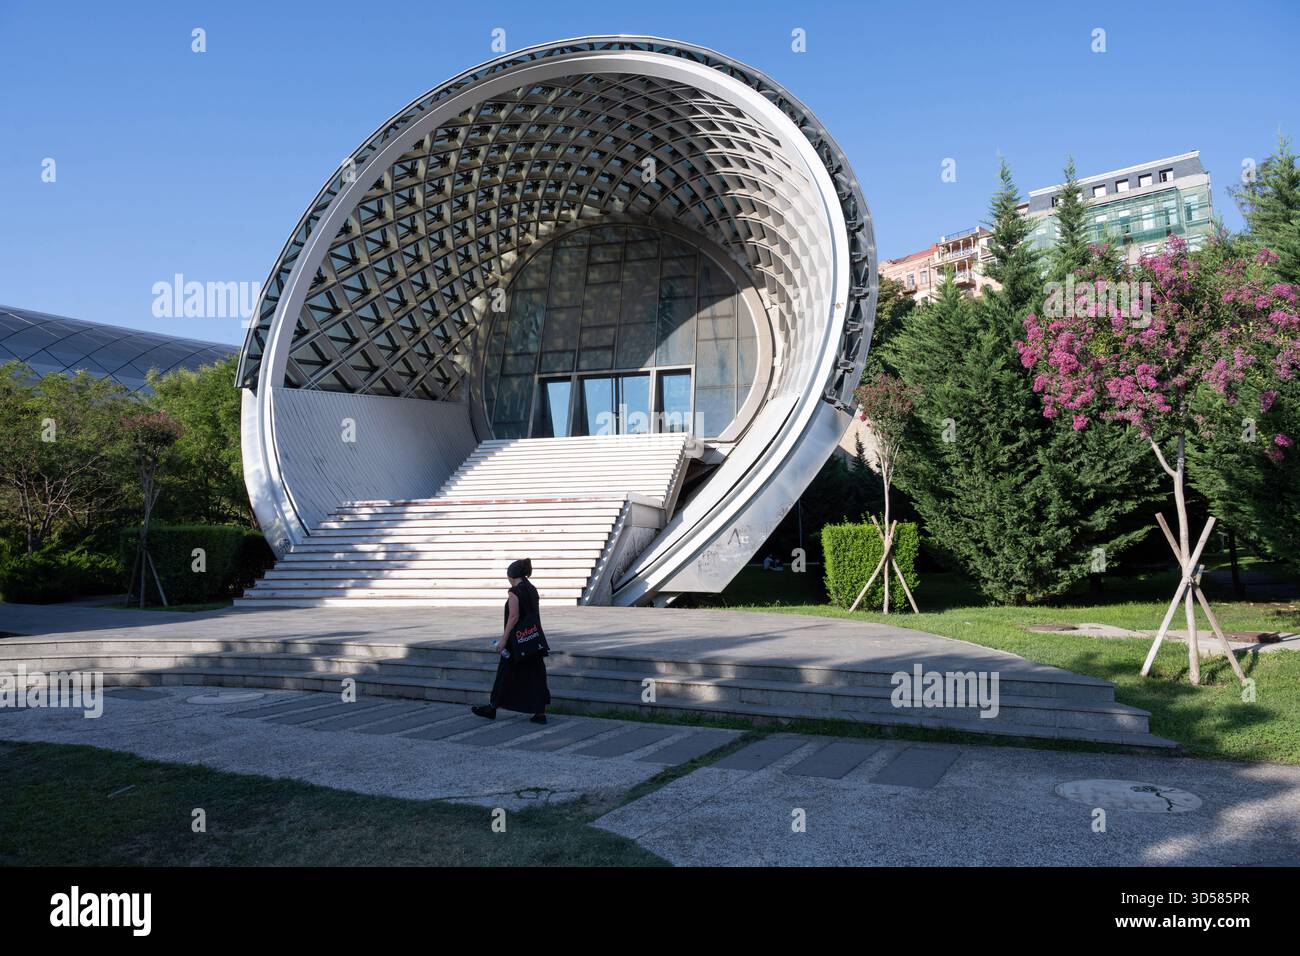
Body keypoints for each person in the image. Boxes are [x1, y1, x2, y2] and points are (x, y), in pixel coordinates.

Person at [471, 558, 551, 723]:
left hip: (517, 641)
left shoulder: (514, 592)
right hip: (533, 638)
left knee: (504, 673)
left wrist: (503, 640)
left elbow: (514, 617)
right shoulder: (532, 589)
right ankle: (540, 712)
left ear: (511, 576)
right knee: (536, 674)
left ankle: (492, 708)